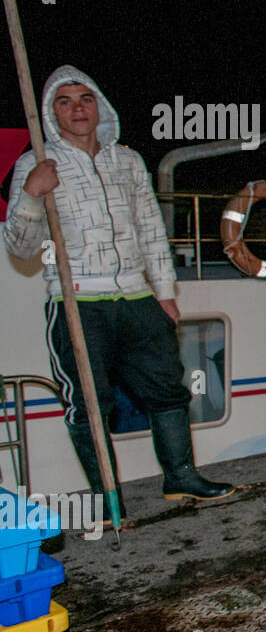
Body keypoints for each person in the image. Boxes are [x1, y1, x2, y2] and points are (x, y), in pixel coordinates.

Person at [3, 65, 235, 515]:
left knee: (168, 390)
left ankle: (181, 477)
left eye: (84, 98)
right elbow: (20, 247)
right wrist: (32, 195)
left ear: (100, 105)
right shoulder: (35, 163)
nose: (76, 109)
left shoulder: (128, 160)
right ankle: (108, 500)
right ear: (51, 114)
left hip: (137, 298)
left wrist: (164, 293)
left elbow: (151, 230)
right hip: (76, 302)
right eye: (63, 102)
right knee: (91, 404)